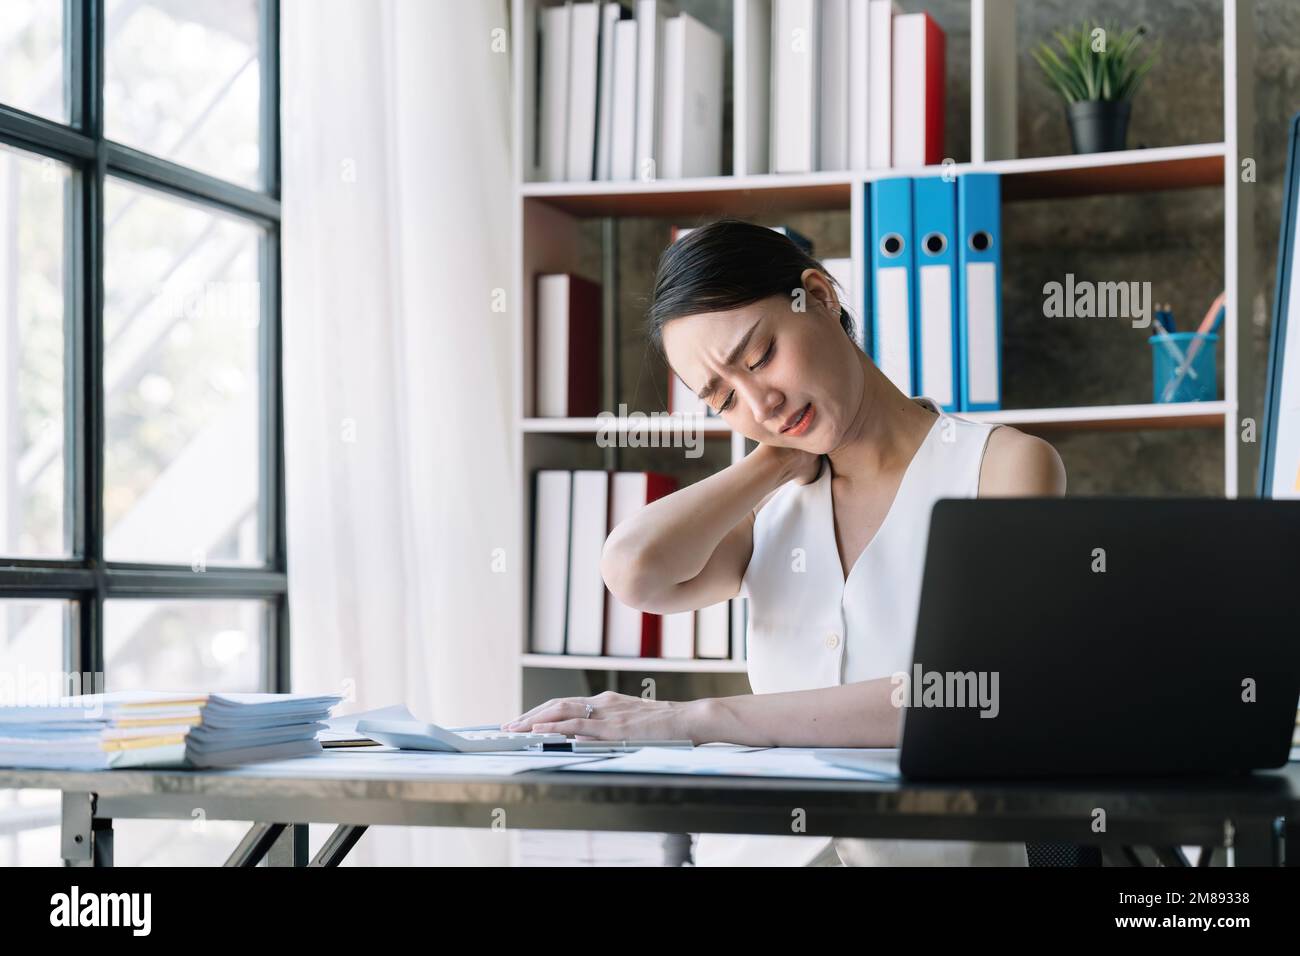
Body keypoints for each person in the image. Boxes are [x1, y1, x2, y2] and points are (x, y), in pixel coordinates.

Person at [504, 218, 1066, 865]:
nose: (760, 403)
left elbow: (977, 690)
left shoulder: (1001, 465)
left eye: (760, 357)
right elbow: (634, 571)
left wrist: (698, 719)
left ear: (820, 297)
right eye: (721, 398)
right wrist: (768, 462)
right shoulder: (766, 504)